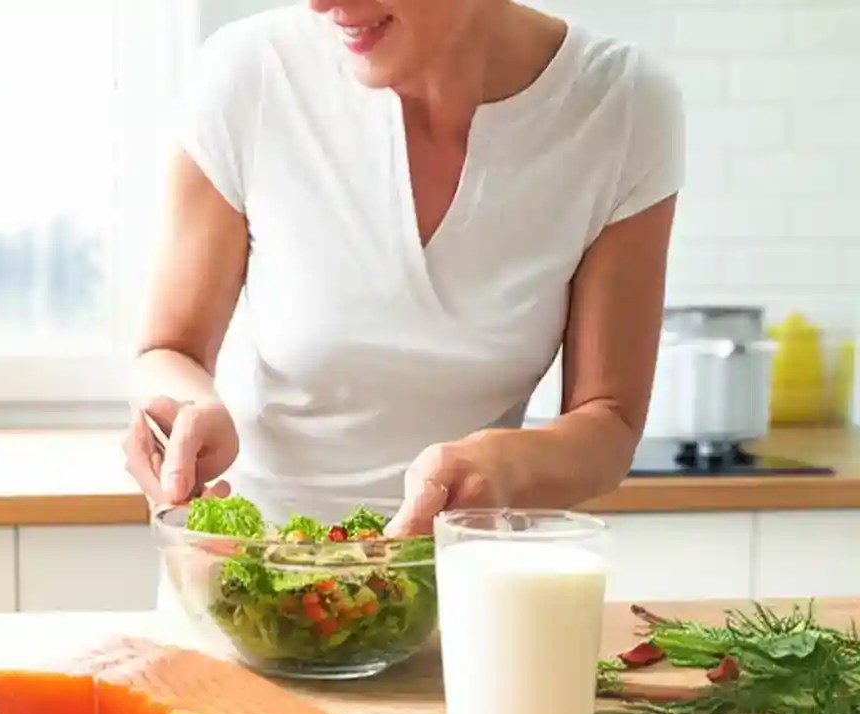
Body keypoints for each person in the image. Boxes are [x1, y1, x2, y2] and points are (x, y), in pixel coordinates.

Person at [124, 0, 684, 538]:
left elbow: (608, 422)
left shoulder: (622, 107)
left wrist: (507, 464)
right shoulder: (250, 74)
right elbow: (169, 351)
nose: (320, 4)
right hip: (248, 589)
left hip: (457, 594)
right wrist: (189, 412)